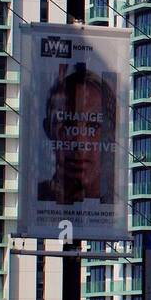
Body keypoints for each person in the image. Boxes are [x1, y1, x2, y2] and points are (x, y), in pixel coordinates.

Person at [38, 62, 118, 206]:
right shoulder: (35, 198)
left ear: (111, 132)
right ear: (49, 130)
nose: (80, 142)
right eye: (68, 123)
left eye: (93, 125)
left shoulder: (120, 203)